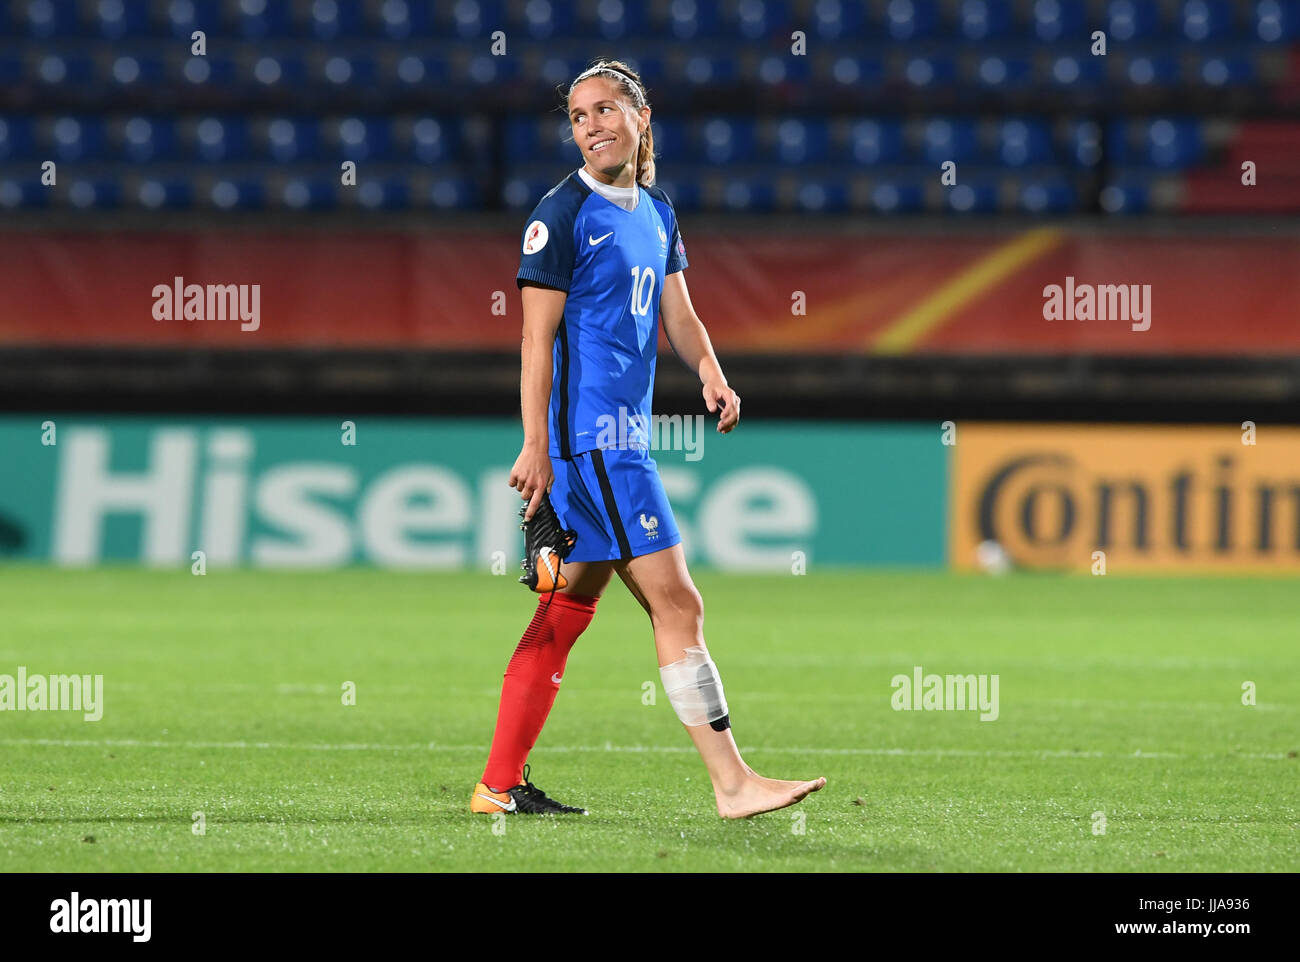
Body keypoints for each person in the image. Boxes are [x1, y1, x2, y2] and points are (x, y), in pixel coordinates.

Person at [470, 60, 826, 819]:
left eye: (604, 109)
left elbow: (680, 313)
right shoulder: (559, 214)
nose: (591, 125)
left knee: (564, 612)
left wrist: (712, 373)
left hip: (622, 439)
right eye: (577, 115)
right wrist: (535, 444)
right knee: (679, 603)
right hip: (596, 446)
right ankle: (732, 783)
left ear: (640, 115)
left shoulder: (656, 210)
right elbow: (536, 344)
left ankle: (497, 785)